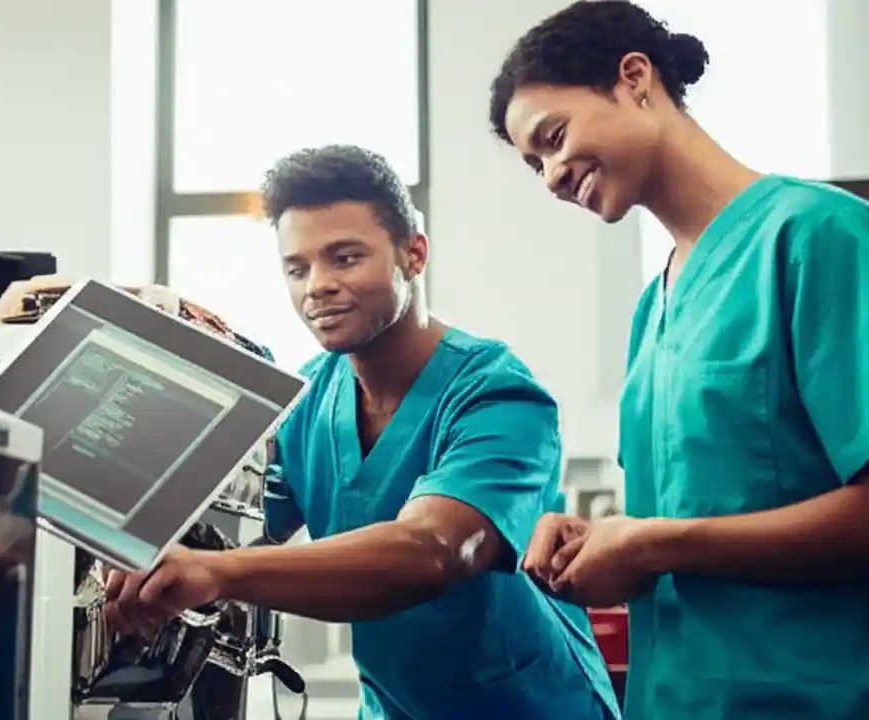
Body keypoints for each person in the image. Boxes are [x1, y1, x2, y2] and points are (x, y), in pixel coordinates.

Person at [104, 145, 619, 719]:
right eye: (296, 268)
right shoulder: (303, 404)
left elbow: (433, 552)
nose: (316, 286)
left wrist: (216, 573)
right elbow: (233, 524)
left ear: (414, 254)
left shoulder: (498, 396)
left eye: (344, 258)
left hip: (529, 707)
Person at [489, 2, 869, 718]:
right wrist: (603, 544)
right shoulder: (652, 309)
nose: (549, 177)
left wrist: (658, 544)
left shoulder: (821, 238)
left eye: (554, 136)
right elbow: (702, 512)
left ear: (635, 78)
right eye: (534, 164)